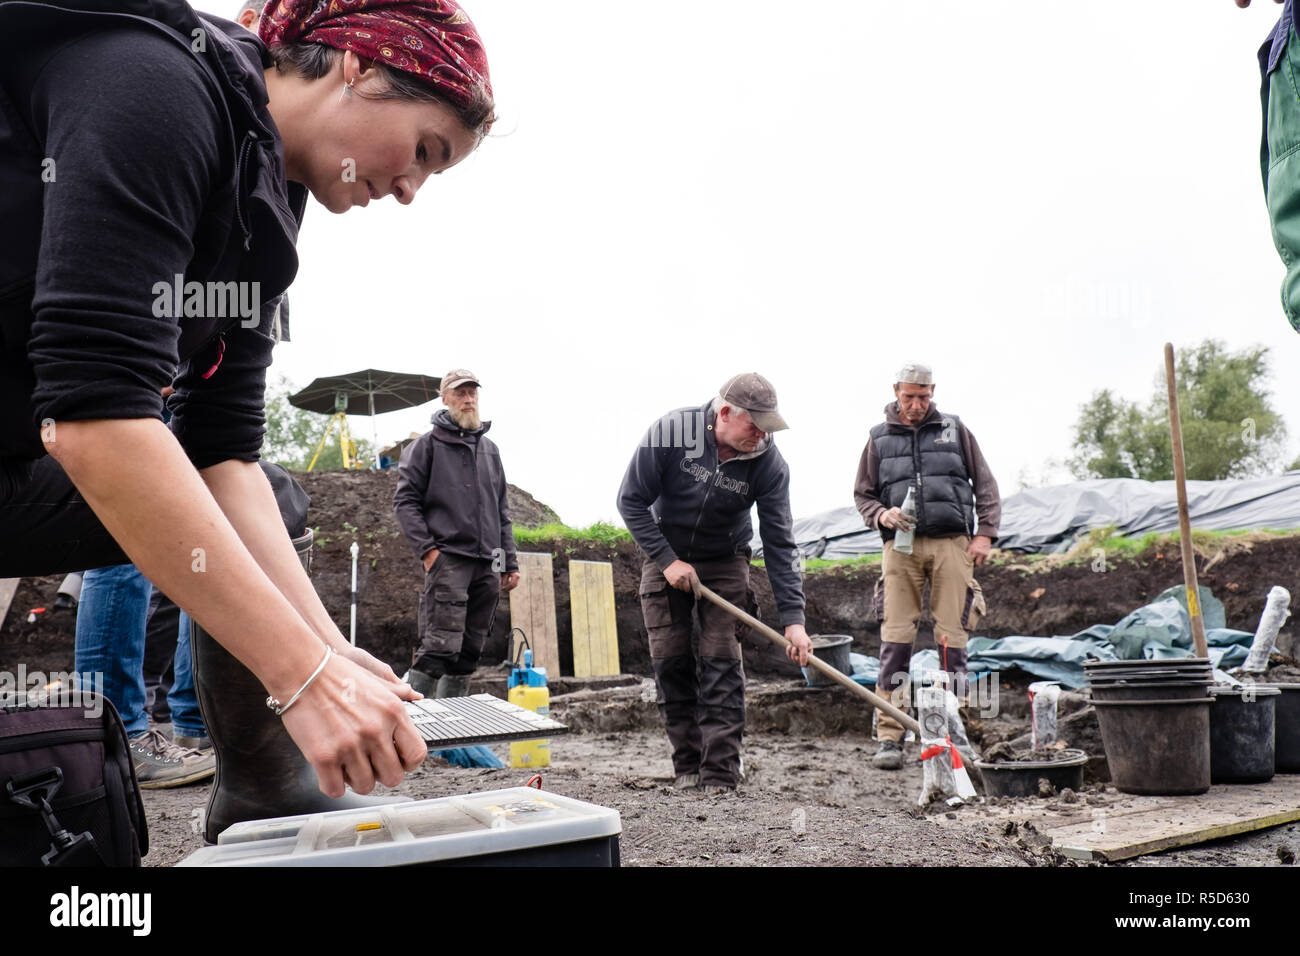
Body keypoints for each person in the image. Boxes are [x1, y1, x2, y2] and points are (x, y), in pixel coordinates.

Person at [0, 0, 494, 839]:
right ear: (359, 69)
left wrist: (324, 646)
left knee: (270, 489)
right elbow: (97, 416)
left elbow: (220, 451)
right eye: (423, 150)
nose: (411, 190)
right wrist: (303, 676)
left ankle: (265, 784)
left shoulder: (267, 202)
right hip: (53, 442)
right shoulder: (151, 86)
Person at [617, 373, 812, 793]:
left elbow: (779, 542)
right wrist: (668, 560)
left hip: (725, 559)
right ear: (725, 413)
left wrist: (794, 621)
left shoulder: (770, 464)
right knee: (671, 661)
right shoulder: (672, 432)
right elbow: (629, 500)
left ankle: (721, 774)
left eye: (768, 428)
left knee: (721, 661)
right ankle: (687, 767)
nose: (762, 436)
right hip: (664, 548)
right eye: (754, 425)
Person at [853, 363, 1001, 770]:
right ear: (896, 392)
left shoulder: (954, 429)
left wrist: (985, 532)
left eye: (923, 396)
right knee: (896, 641)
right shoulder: (878, 438)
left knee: (952, 640)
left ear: (933, 391)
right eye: (908, 397)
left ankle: (956, 731)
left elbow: (985, 483)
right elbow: (863, 495)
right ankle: (890, 736)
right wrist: (882, 515)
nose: (916, 404)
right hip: (900, 551)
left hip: (953, 544)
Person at [393, 369, 520, 699]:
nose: (468, 399)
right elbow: (405, 502)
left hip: (488, 563)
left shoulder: (490, 450)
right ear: (444, 397)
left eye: (472, 393)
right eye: (460, 393)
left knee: (469, 652)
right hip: (448, 558)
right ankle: (410, 720)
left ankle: (454, 735)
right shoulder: (426, 446)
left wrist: (509, 562)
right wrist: (429, 553)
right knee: (439, 646)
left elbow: (501, 510)